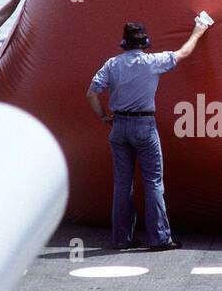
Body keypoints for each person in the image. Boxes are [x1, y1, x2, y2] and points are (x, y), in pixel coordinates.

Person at [86, 17, 210, 251]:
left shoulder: (112, 64)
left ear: (124, 43)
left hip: (119, 126)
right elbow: (183, 53)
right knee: (153, 182)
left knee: (122, 184)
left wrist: (103, 116)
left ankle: (122, 238)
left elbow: (91, 93)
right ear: (144, 43)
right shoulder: (152, 62)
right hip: (144, 125)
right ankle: (159, 238)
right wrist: (197, 31)